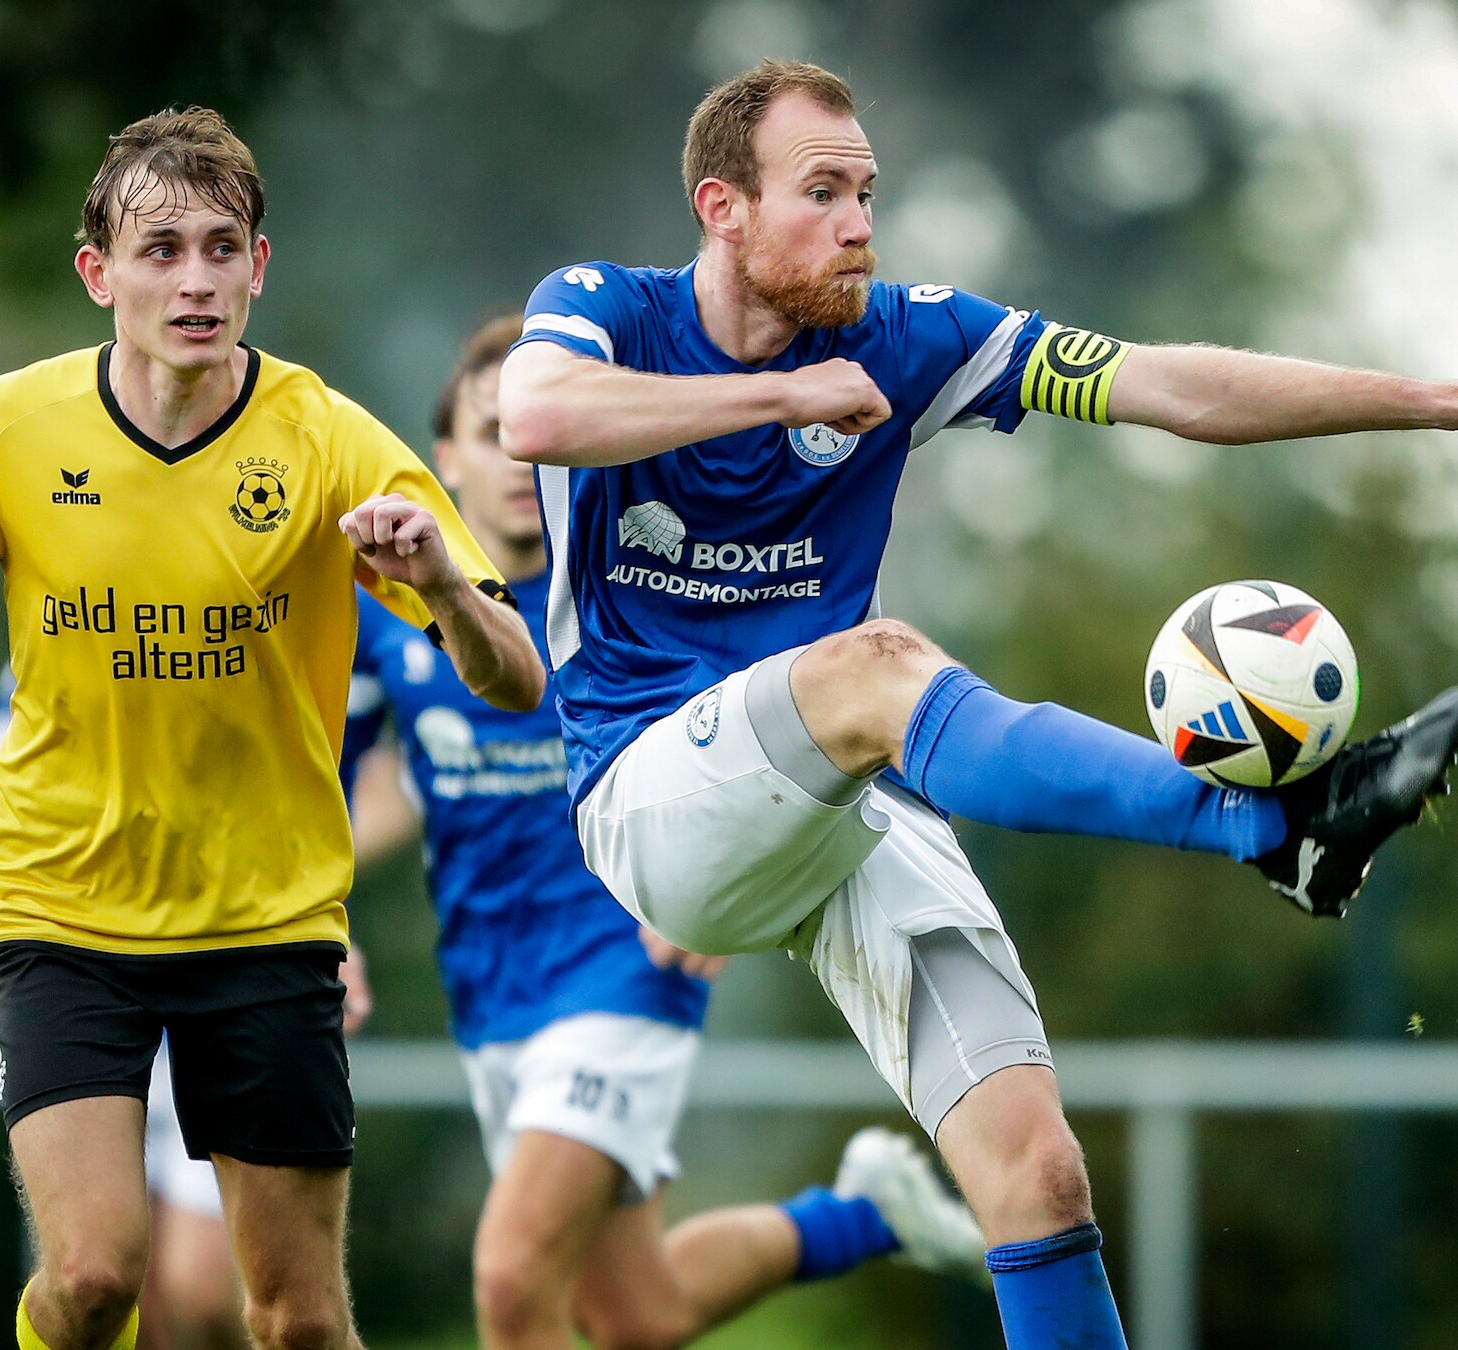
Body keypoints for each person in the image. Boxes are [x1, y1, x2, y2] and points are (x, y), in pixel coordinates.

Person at [495, 61, 1458, 1349]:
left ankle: (1284, 835)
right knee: (877, 663)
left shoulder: (907, 336)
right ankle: (1270, 829)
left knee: (1035, 1173)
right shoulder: (604, 310)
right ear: (720, 206)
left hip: (843, 797)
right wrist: (786, 395)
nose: (859, 222)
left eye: (868, 192)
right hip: (648, 799)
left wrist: (1447, 402)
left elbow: (1165, 383)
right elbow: (538, 411)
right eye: (823, 193)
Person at [0, 107, 543, 1350]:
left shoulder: (333, 444)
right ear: (99, 273)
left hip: (266, 918)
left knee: (297, 1320)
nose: (195, 280)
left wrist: (435, 582)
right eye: (160, 250)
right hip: (60, 907)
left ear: (261, 265)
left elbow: (515, 677)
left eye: (221, 247)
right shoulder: (5, 427)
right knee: (95, 1278)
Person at [343, 313, 987, 1350]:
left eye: (527, 428)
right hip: (494, 982)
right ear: (445, 458)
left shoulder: (631, 582)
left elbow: (782, 714)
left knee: (512, 1282)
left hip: (626, 958)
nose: (516, 456)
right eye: (487, 429)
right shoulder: (395, 606)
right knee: (634, 1315)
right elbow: (326, 782)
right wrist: (318, 923)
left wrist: (735, 879)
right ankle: (862, 1215)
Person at [0, 665, 376, 1350]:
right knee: (98, 1281)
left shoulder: (285, 613)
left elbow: (407, 775)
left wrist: (321, 904)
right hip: (89, 981)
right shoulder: (61, 629)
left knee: (236, 1300)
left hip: (247, 969)